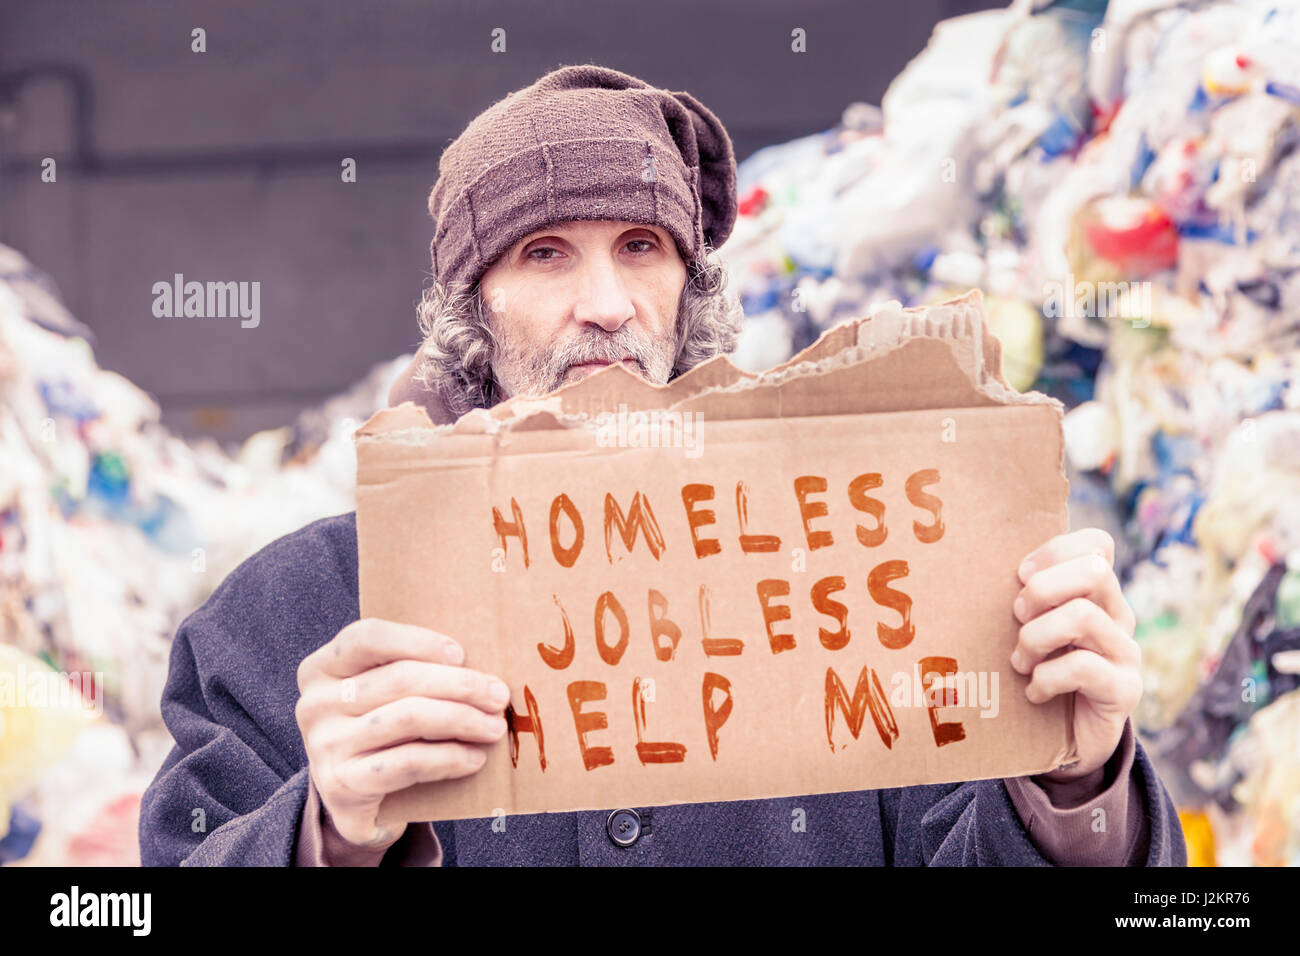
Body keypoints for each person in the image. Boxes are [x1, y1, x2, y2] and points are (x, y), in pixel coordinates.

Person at [139, 64, 1186, 866]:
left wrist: (1079, 786)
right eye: (543, 252)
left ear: (691, 292)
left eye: (641, 246)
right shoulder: (283, 616)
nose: (604, 301)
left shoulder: (874, 568)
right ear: (471, 308)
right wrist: (322, 831)